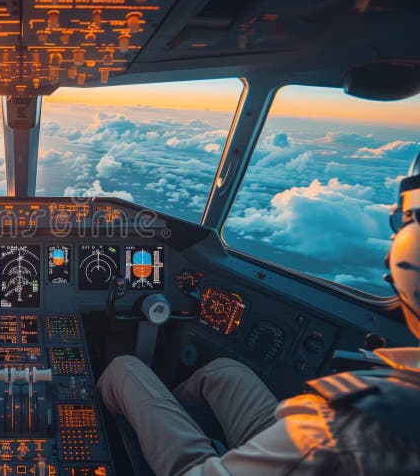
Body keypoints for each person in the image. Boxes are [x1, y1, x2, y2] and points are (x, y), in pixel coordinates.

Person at [98, 160, 420, 475]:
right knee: (225, 372)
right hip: (306, 445)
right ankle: (165, 416)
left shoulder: (345, 431)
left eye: (402, 223)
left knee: (124, 368)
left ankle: (114, 430)